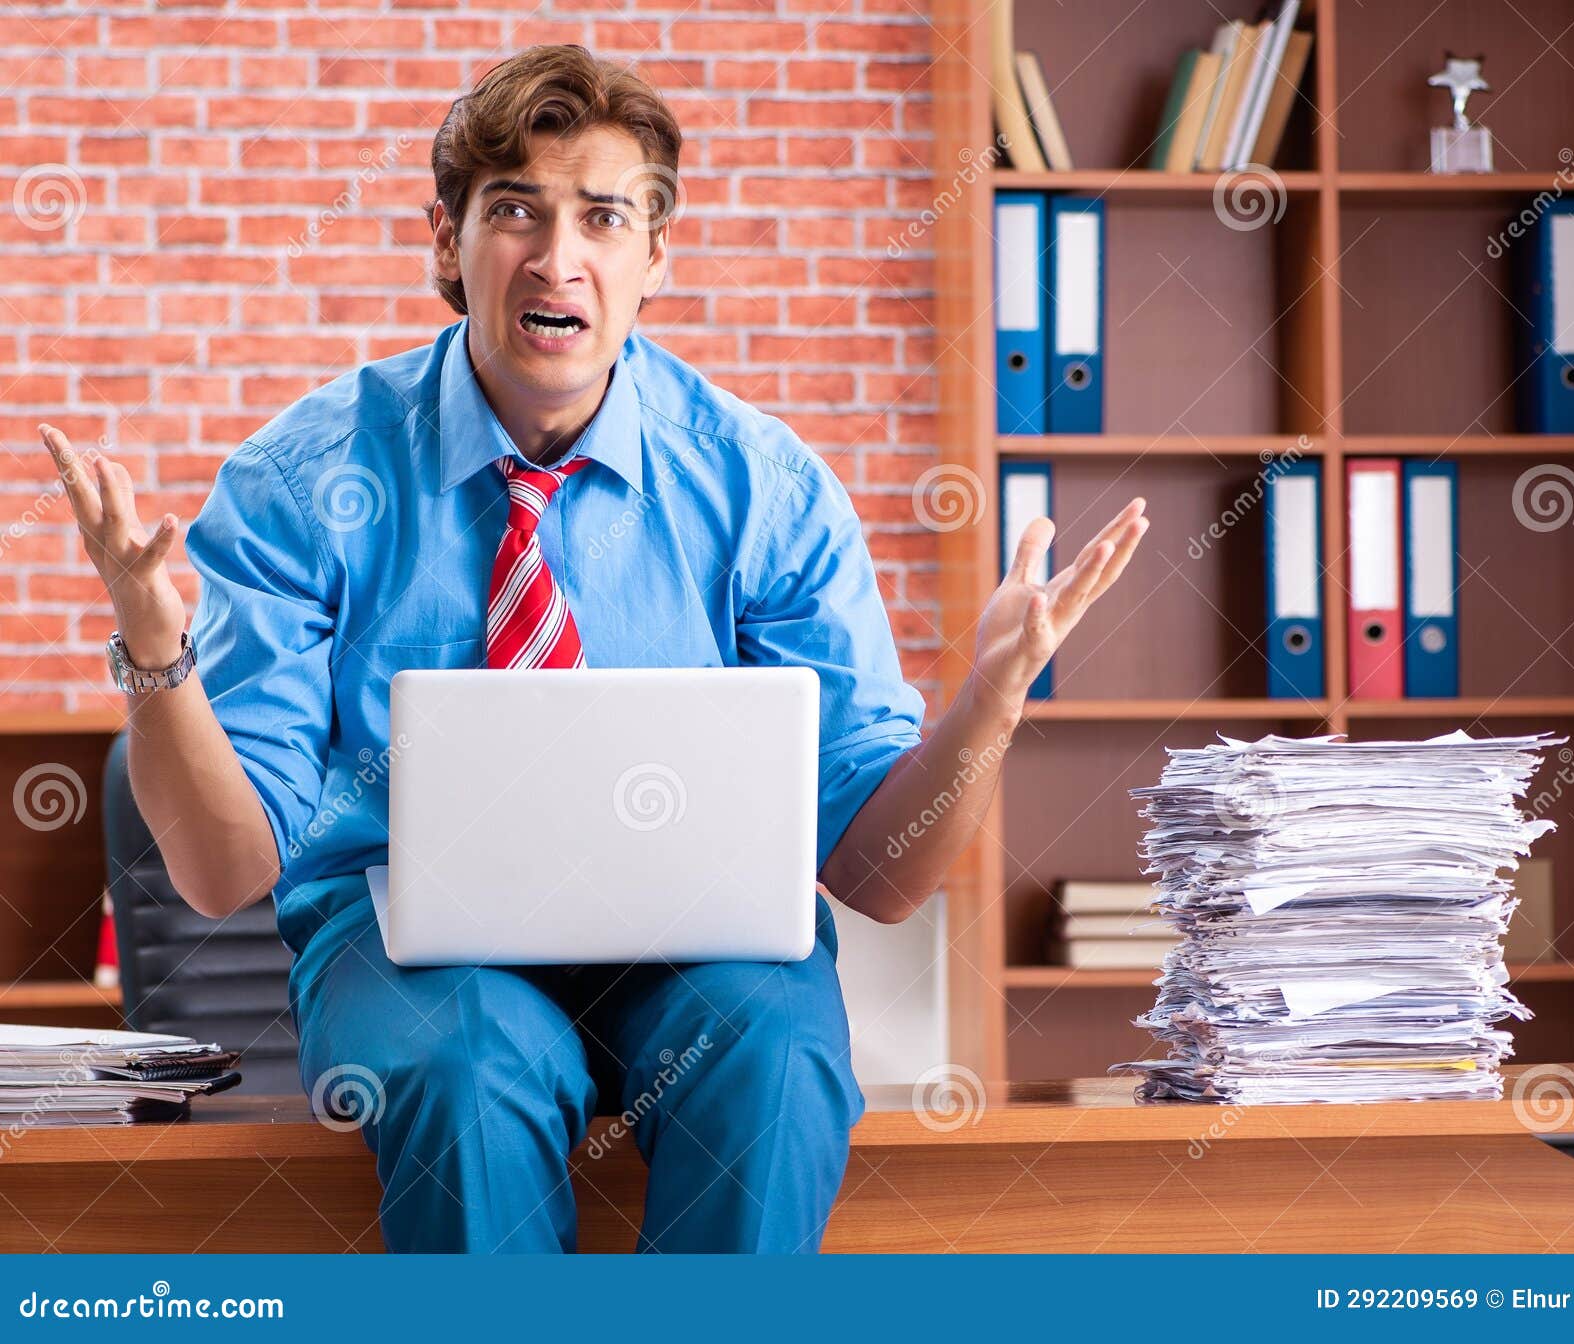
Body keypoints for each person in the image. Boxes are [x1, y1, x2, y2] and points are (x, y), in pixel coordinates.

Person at [41, 44, 1146, 1253]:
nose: (555, 256)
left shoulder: (763, 489)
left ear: (653, 257)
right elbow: (219, 874)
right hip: (405, 942)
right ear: (444, 242)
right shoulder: (304, 483)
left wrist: (987, 703)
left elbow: (878, 879)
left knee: (775, 1054)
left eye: (603, 217)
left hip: (697, 947)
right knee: (472, 1068)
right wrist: (159, 661)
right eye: (513, 210)